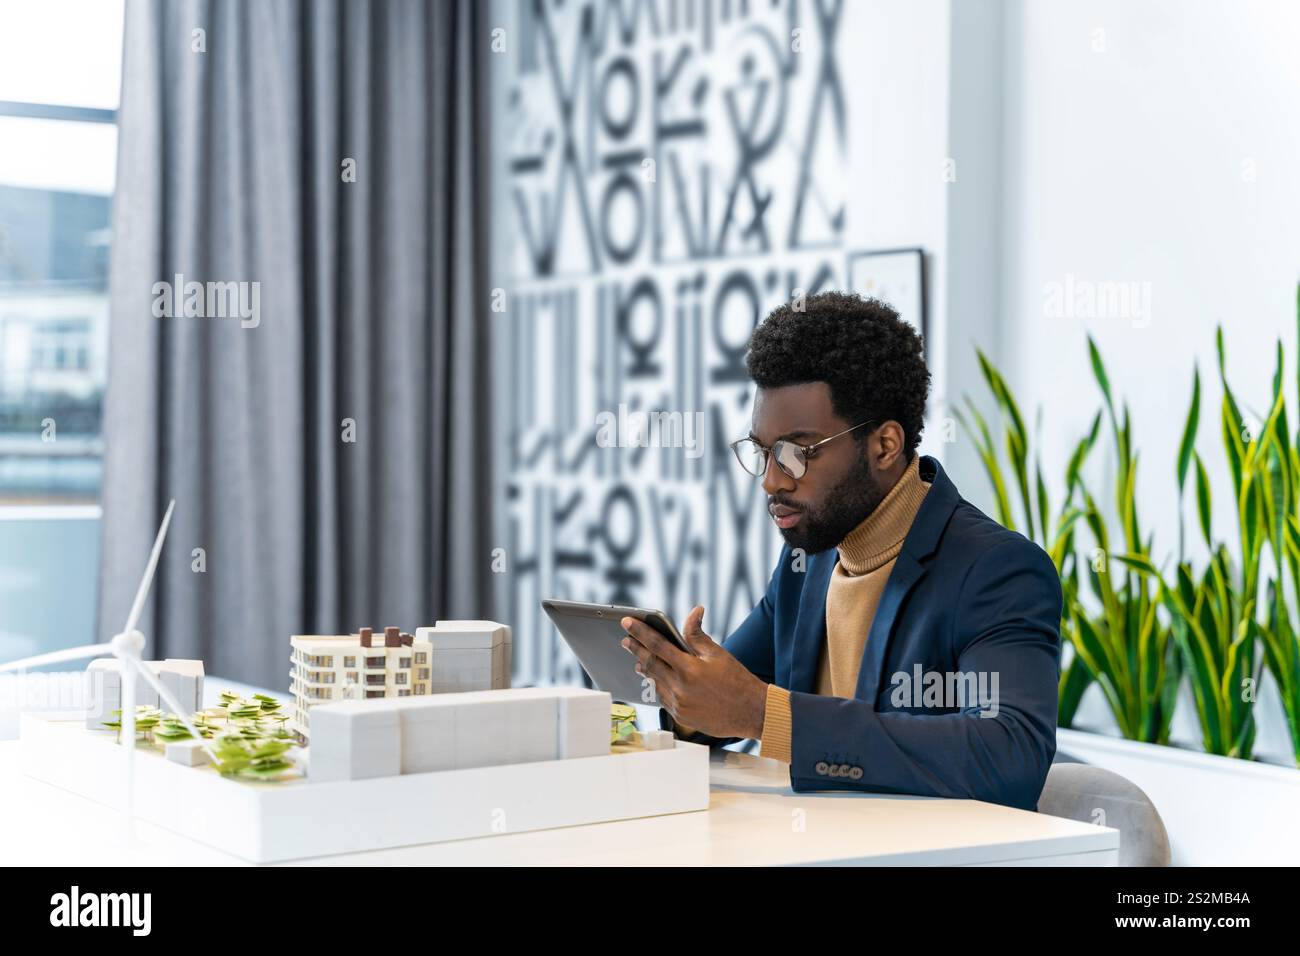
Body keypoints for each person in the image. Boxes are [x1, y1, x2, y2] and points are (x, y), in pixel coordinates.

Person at [619, 291, 1062, 811]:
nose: (770, 481)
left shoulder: (997, 570)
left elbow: (1007, 757)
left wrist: (766, 716)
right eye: (762, 452)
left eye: (795, 454)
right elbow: (730, 697)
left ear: (885, 445)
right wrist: (685, 692)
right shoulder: (808, 560)